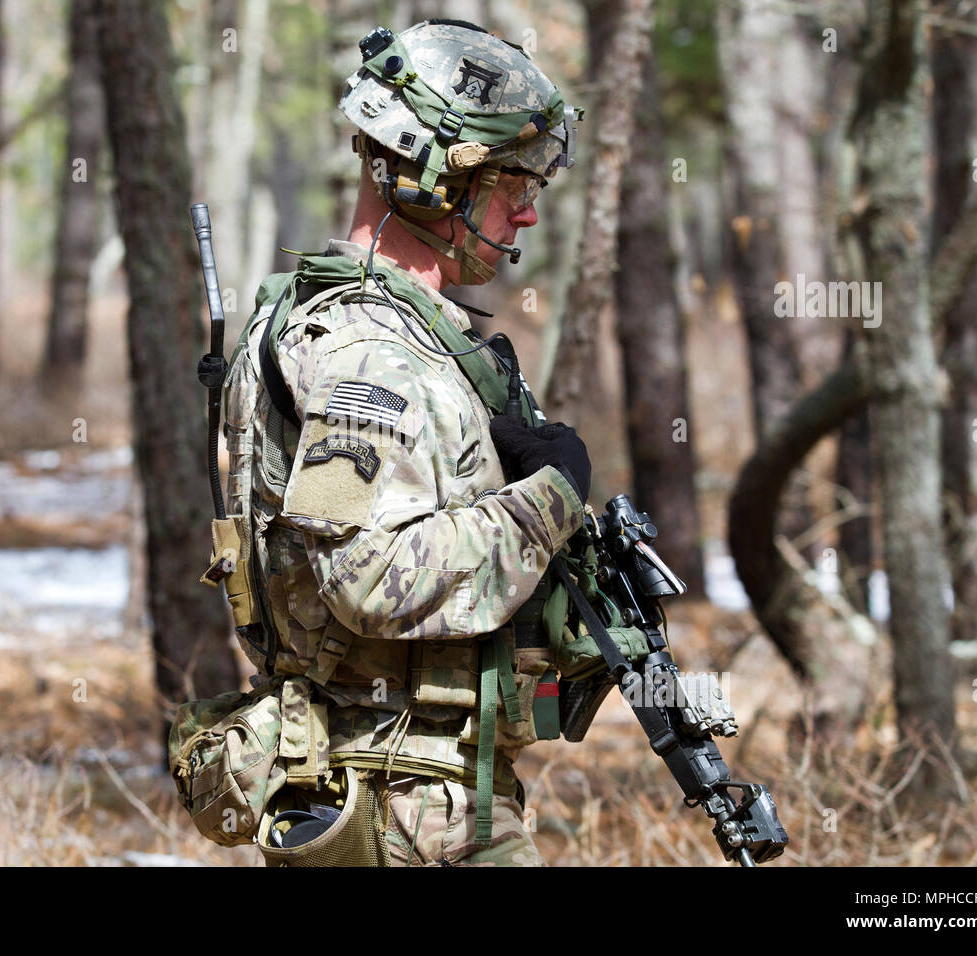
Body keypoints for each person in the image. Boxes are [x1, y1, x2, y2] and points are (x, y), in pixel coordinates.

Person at [220, 18, 591, 866]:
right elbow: (369, 578)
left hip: (392, 794)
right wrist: (549, 500)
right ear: (431, 183)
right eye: (510, 184)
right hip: (414, 812)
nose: (528, 209)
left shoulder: (353, 325)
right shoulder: (372, 354)